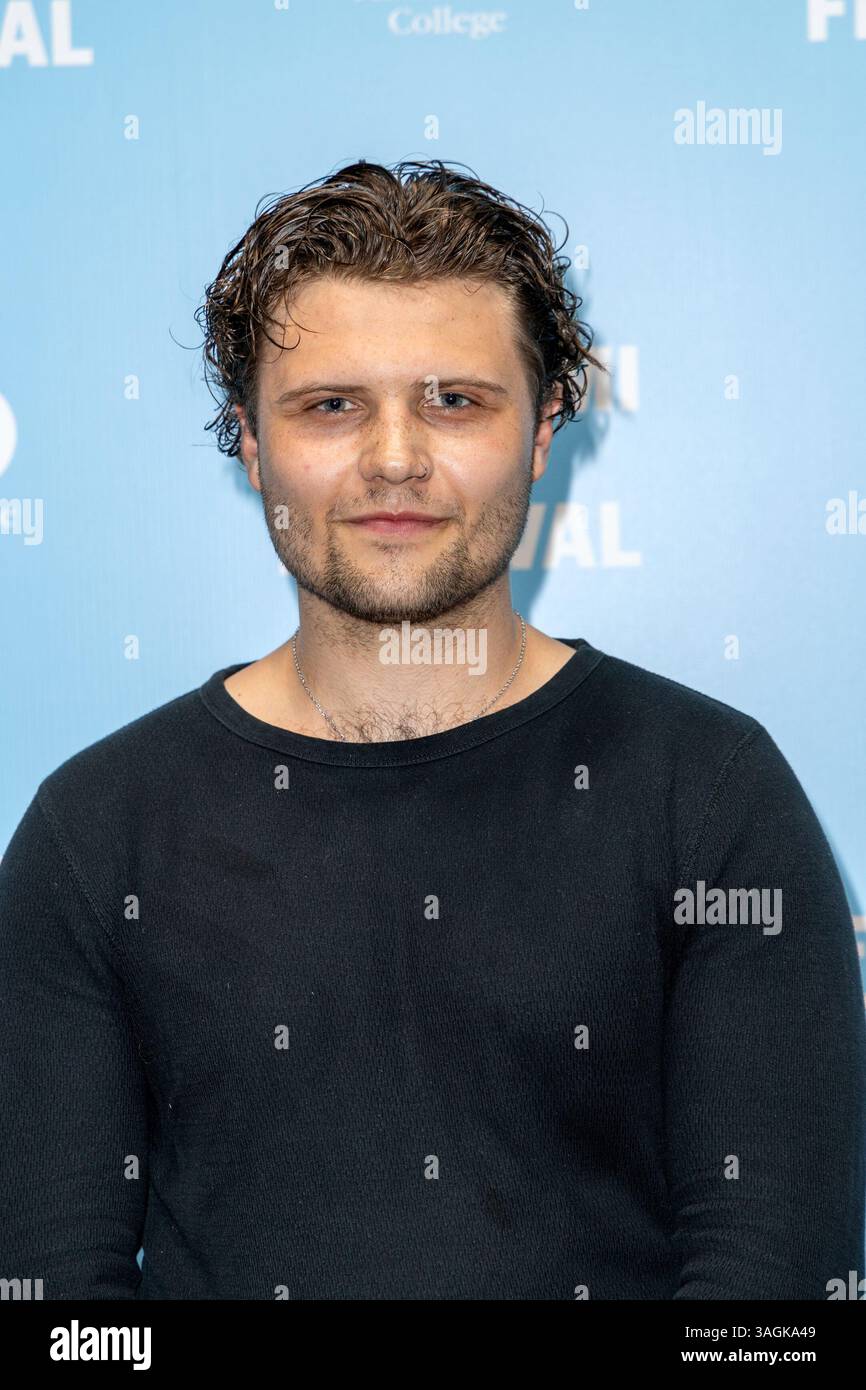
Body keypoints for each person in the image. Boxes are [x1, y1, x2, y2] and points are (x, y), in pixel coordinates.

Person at [1, 160, 863, 1301]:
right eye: (330, 405)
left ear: (545, 426)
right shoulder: (94, 831)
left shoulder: (705, 792)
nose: (395, 456)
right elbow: (59, 1307)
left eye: (455, 399)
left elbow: (771, 1304)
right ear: (251, 446)